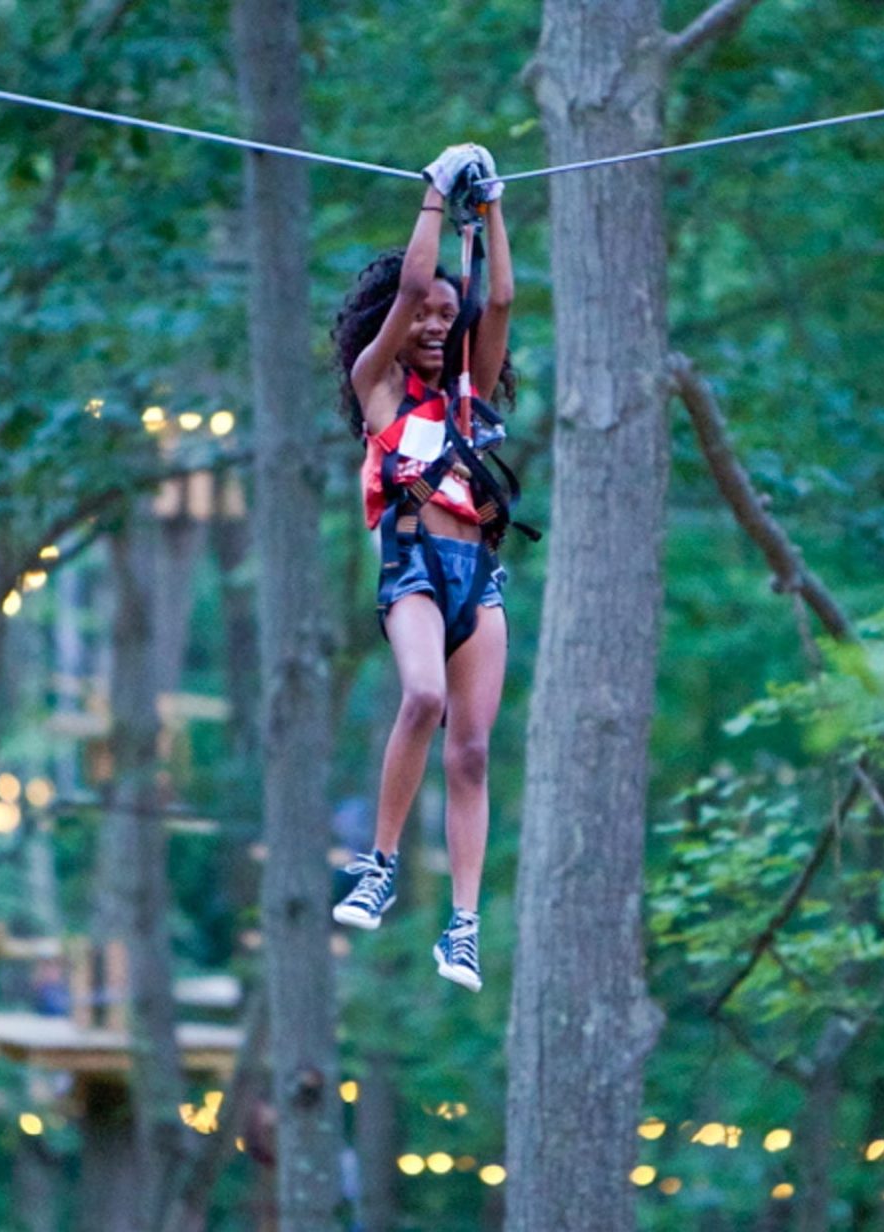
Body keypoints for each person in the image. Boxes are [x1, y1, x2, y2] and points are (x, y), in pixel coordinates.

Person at [327, 143, 524, 993]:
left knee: (473, 753)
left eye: (451, 313)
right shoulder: (380, 387)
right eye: (426, 314)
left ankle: (465, 928)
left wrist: (495, 210)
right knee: (423, 698)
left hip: (474, 577)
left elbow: (504, 298)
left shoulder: (471, 396)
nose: (438, 323)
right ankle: (379, 865)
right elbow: (411, 290)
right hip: (412, 565)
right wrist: (437, 196)